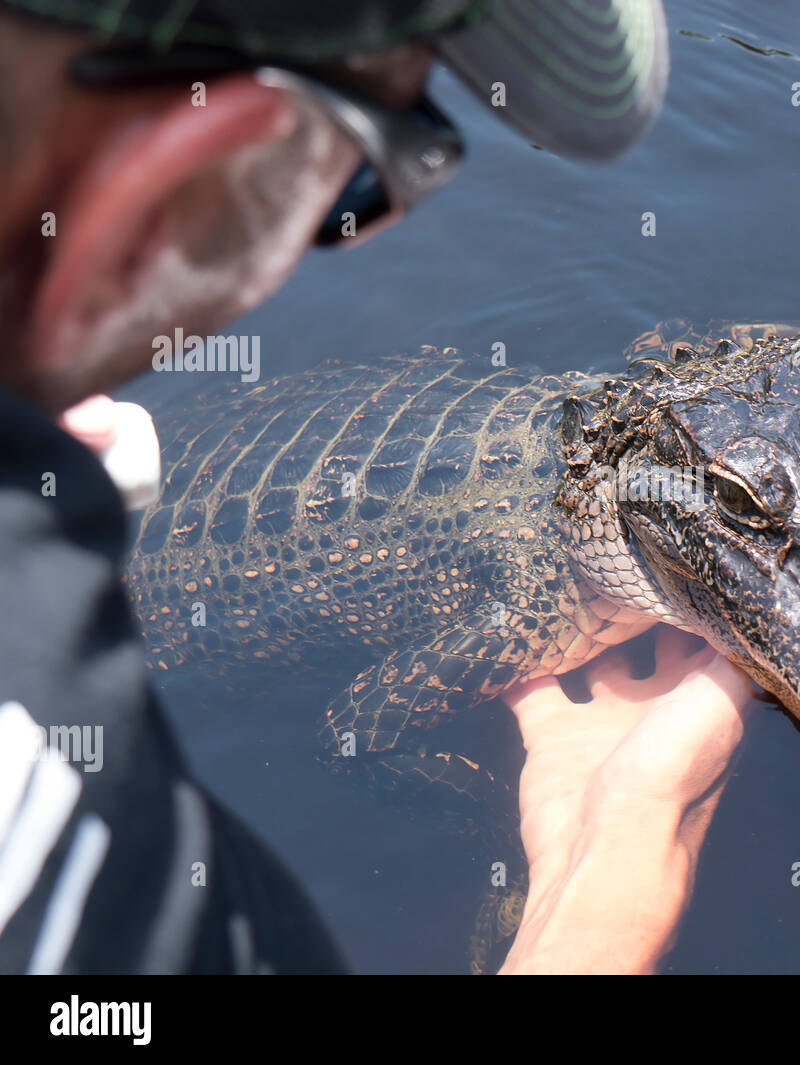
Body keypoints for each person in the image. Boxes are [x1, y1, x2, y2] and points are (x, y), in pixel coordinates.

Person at [0, 0, 753, 975]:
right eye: (370, 179)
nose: (360, 238)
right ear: (190, 164)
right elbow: (353, 729)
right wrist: (609, 873)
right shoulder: (57, 831)